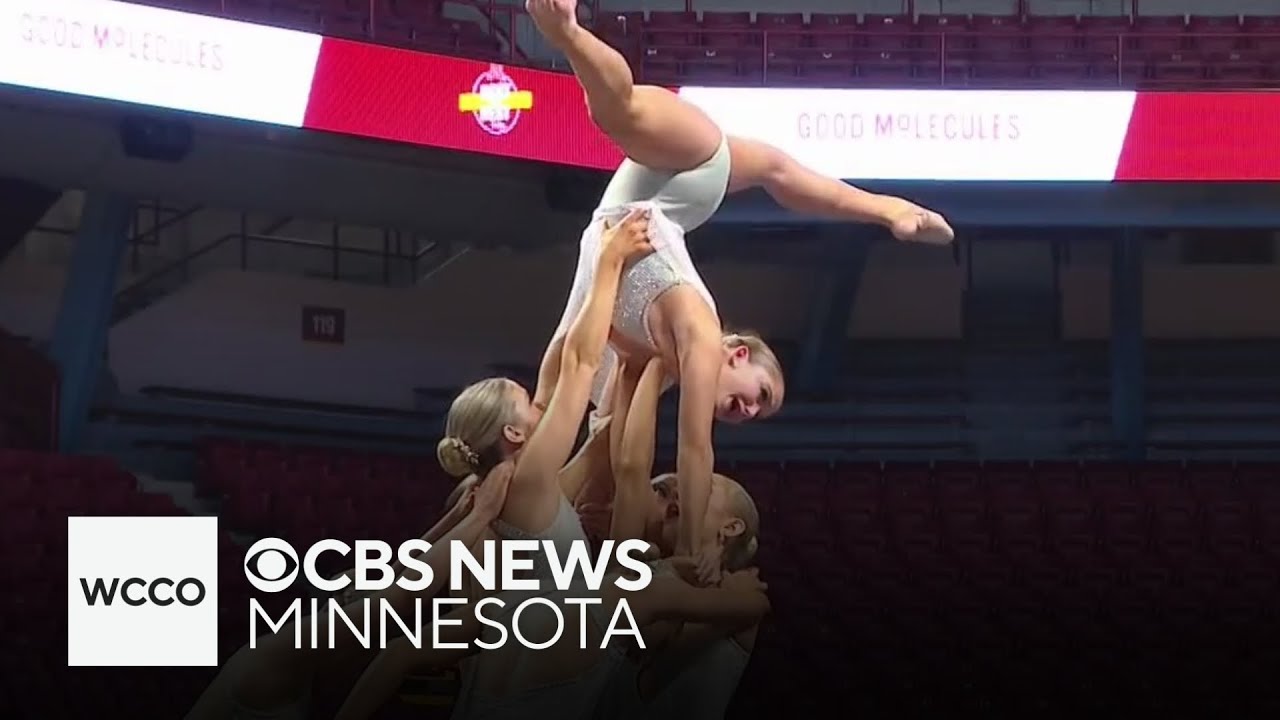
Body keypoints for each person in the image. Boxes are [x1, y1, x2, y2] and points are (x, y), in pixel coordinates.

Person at [524, 0, 954, 586]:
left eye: (756, 414)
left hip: (612, 241)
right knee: (626, 115)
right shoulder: (701, 336)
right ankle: (565, 30)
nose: (748, 411)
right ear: (738, 354)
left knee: (549, 406)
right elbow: (695, 451)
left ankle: (888, 209)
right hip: (680, 180)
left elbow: (629, 465)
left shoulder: (653, 358)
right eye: (761, 395)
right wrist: (698, 542)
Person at [333, 360, 769, 720]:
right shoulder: (623, 590)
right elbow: (624, 461)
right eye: (667, 490)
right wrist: (656, 364)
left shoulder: (567, 590)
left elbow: (621, 461)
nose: (676, 490)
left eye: (685, 492)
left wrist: (650, 366)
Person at [183, 464, 513, 720]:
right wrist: (481, 515)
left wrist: (457, 517)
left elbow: (401, 569)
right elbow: (400, 595)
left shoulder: (313, 648)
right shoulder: (273, 660)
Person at [435, 209, 654, 583]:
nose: (538, 402)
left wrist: (590, 272)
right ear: (513, 434)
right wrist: (608, 263)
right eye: (526, 401)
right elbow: (580, 364)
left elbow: (566, 390)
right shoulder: (528, 479)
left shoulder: (523, 483)